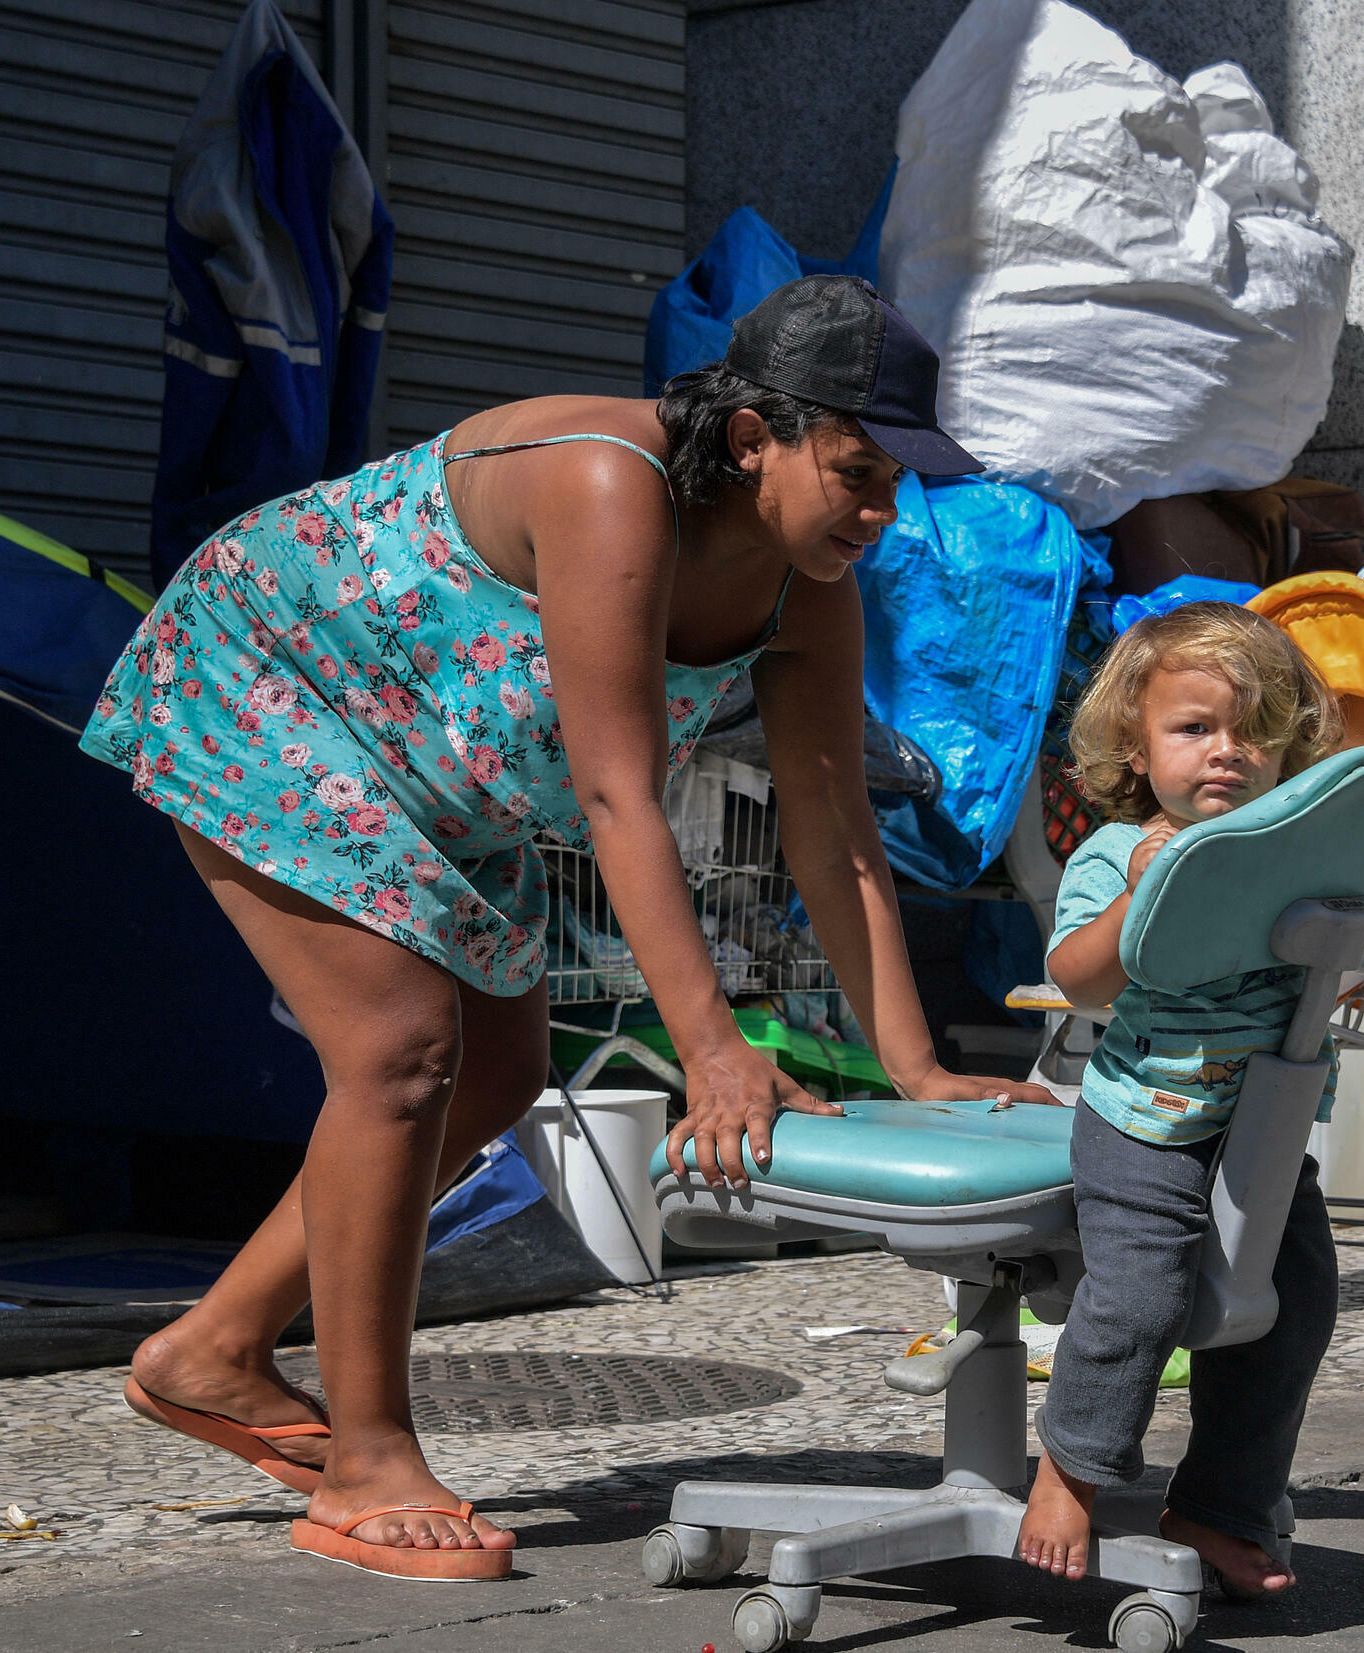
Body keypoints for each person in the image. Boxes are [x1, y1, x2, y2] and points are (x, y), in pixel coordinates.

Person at [81, 275, 1052, 1580]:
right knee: (402, 1054)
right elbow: (617, 793)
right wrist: (710, 1048)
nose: (883, 517)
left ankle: (214, 1352)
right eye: (860, 474)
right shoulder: (610, 482)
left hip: (438, 760)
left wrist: (915, 1063)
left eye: (898, 487)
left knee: (494, 1072)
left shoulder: (810, 585)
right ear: (756, 435)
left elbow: (834, 831)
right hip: (278, 672)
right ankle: (366, 1460)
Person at [1014, 602, 1364, 1597]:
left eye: (1253, 733)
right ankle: (1070, 1472)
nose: (1226, 753)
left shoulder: (1292, 848)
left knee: (1292, 1310)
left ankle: (1211, 1506)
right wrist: (1139, 894)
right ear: (1134, 741)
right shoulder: (1117, 848)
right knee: (1139, 1298)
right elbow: (1077, 979)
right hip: (1143, 1124)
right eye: (1193, 728)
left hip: (1261, 1129)